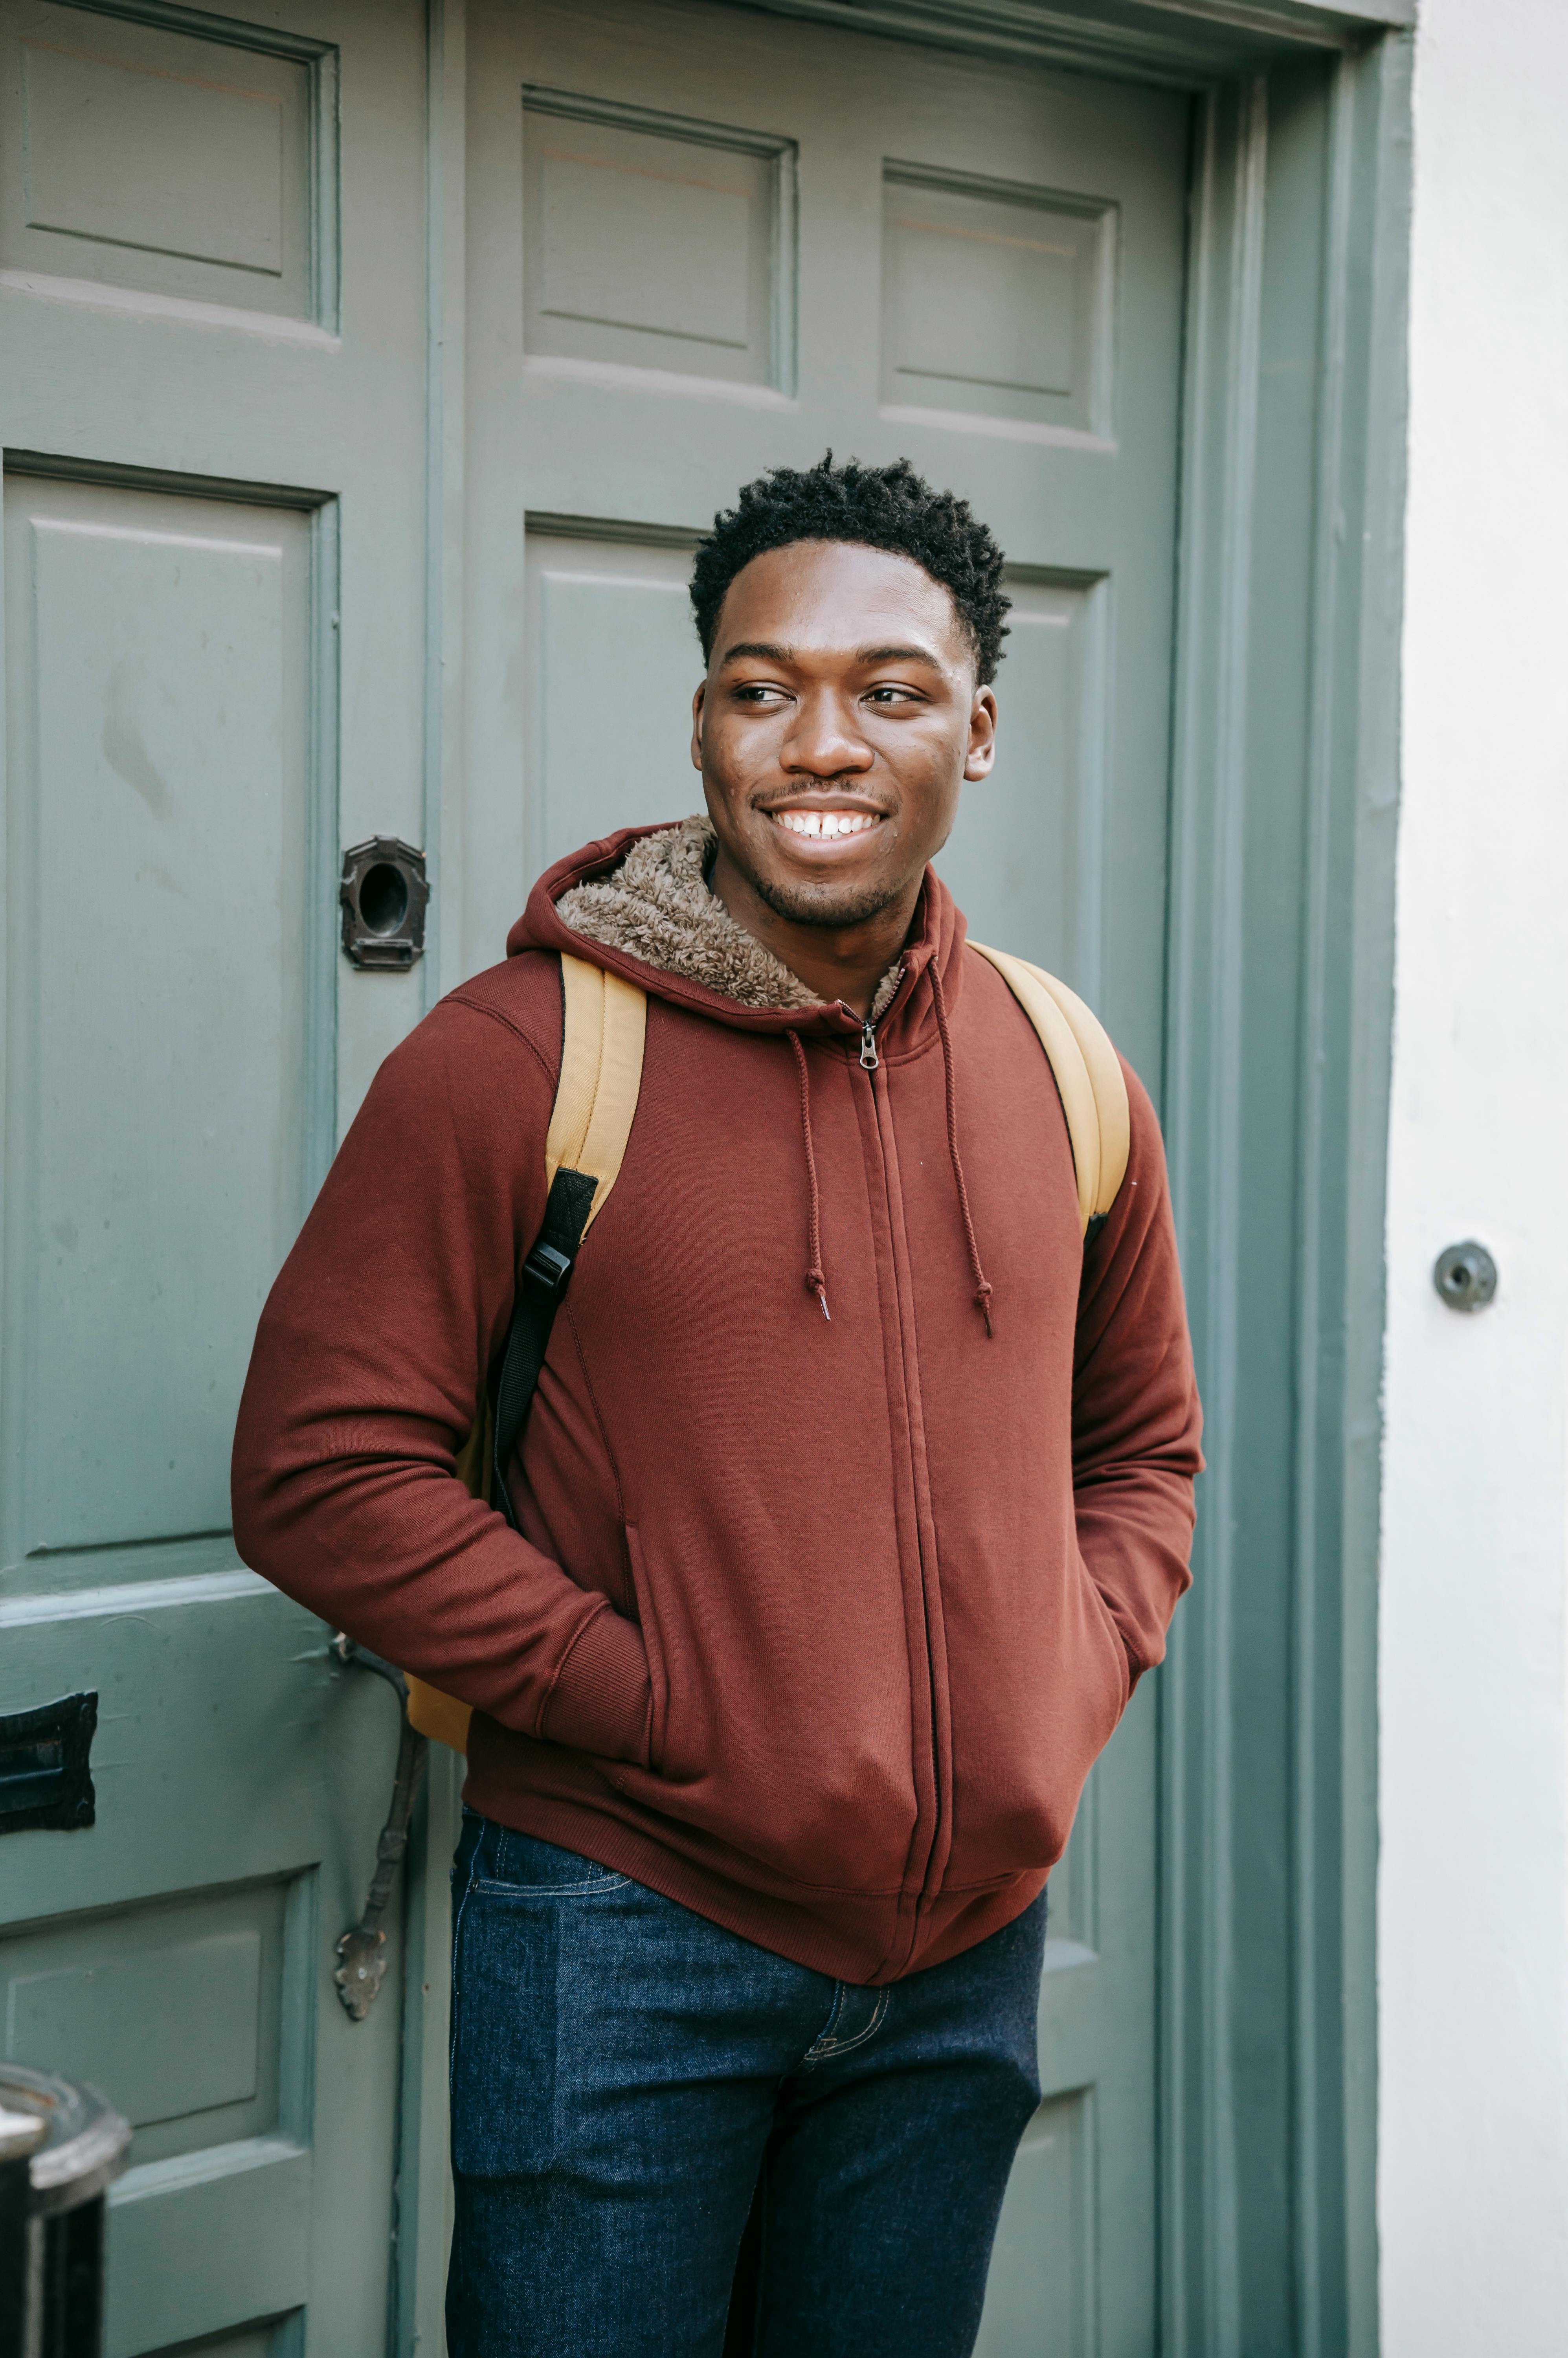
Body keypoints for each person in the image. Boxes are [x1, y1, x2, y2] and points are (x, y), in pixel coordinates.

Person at [232, 455, 1202, 2358]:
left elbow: (1144, 1452)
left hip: (957, 1967)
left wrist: (1056, 1678)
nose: (820, 742)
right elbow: (321, 1475)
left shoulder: (1064, 1062)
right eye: (764, 689)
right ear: (703, 723)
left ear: (977, 729)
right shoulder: (519, 1059)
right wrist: (652, 1703)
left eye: (891, 691)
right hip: (621, 1937)